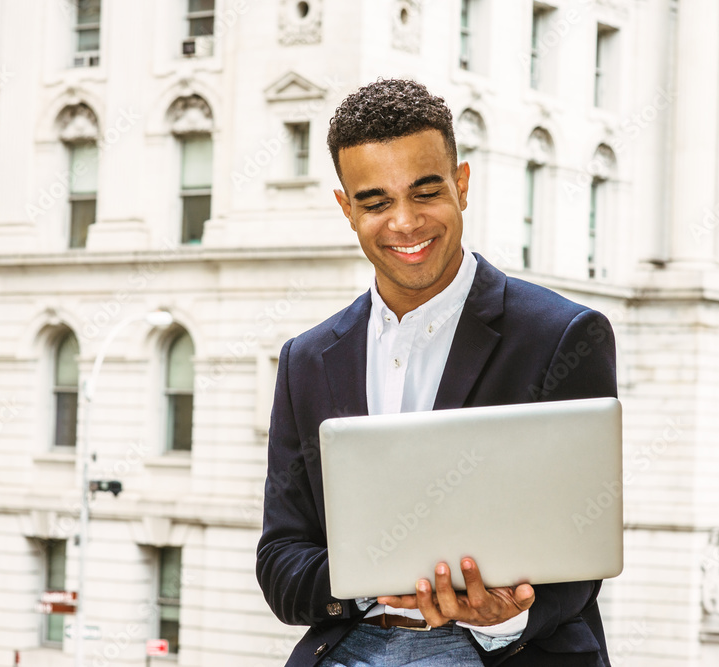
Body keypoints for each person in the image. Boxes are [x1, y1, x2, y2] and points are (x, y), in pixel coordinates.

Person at [256, 78, 616, 667]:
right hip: (351, 645)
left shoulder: (564, 336)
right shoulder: (307, 359)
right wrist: (369, 579)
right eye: (375, 203)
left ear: (462, 186)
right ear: (347, 210)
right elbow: (280, 560)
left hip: (507, 652)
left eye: (425, 192)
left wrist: (510, 614)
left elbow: (584, 547)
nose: (404, 222)